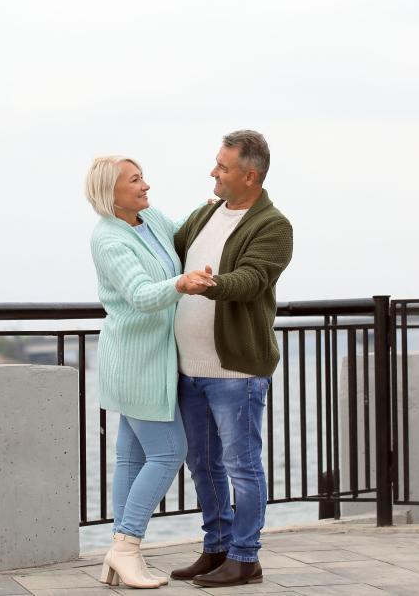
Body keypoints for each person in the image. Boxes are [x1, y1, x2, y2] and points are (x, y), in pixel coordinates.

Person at [85, 155, 216, 589]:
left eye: (142, 178)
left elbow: (185, 235)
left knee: (132, 457)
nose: (146, 186)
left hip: (150, 358)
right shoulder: (108, 238)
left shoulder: (151, 219)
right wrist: (181, 284)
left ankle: (118, 556)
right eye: (136, 180)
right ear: (111, 192)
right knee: (168, 452)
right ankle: (126, 547)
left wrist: (218, 206)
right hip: (136, 360)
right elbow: (141, 295)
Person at [170, 130, 293, 587]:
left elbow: (252, 280)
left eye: (222, 167)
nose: (213, 172)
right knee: (203, 465)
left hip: (235, 372)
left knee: (242, 466)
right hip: (190, 369)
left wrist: (209, 283)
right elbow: (169, 247)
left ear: (250, 174)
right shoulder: (206, 214)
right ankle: (217, 547)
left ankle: (246, 557)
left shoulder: (274, 226)